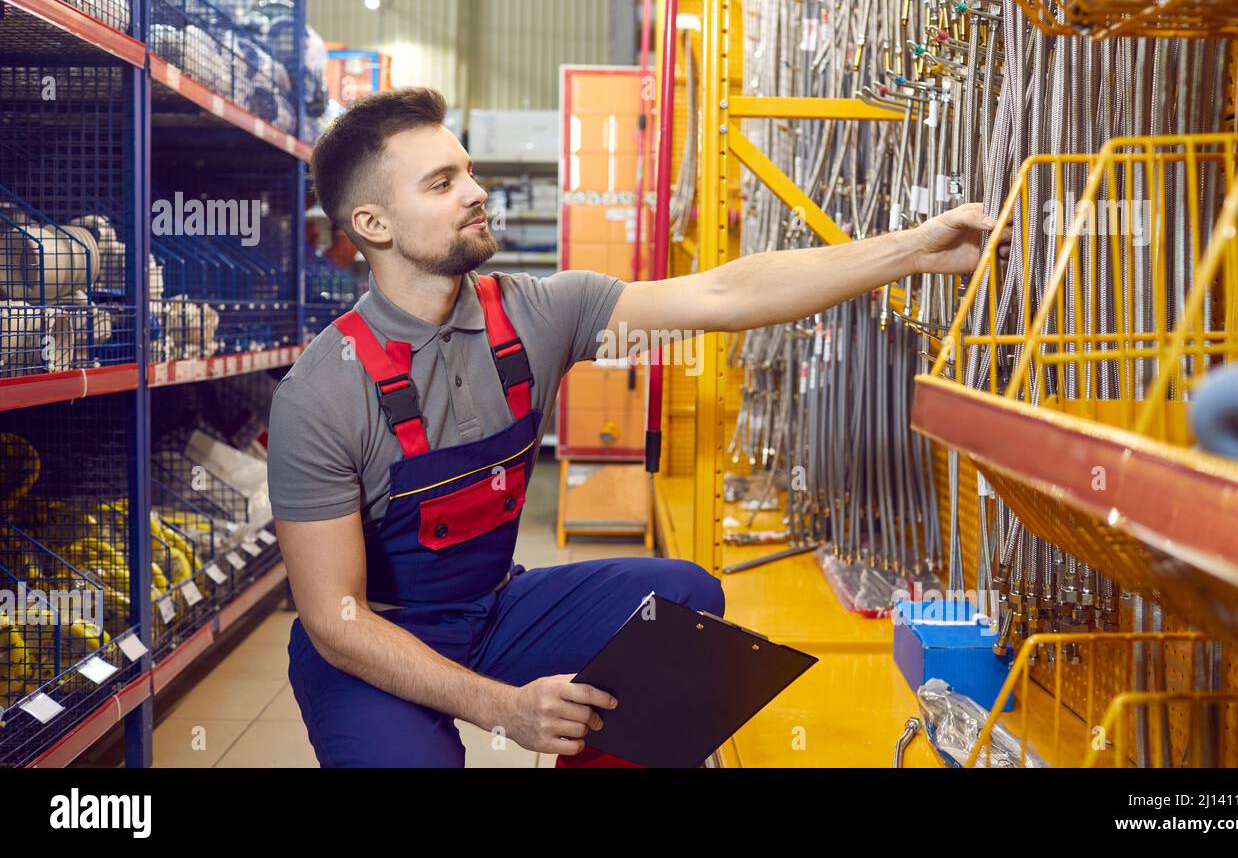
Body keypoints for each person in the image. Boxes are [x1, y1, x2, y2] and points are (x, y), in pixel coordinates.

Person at [269, 86, 1000, 768]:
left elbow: (724, 291)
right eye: (441, 183)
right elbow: (337, 620)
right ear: (372, 224)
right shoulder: (323, 392)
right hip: (375, 640)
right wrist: (505, 710)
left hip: (491, 609)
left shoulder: (537, 314)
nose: (475, 192)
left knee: (681, 599)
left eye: (468, 171)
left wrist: (918, 249)